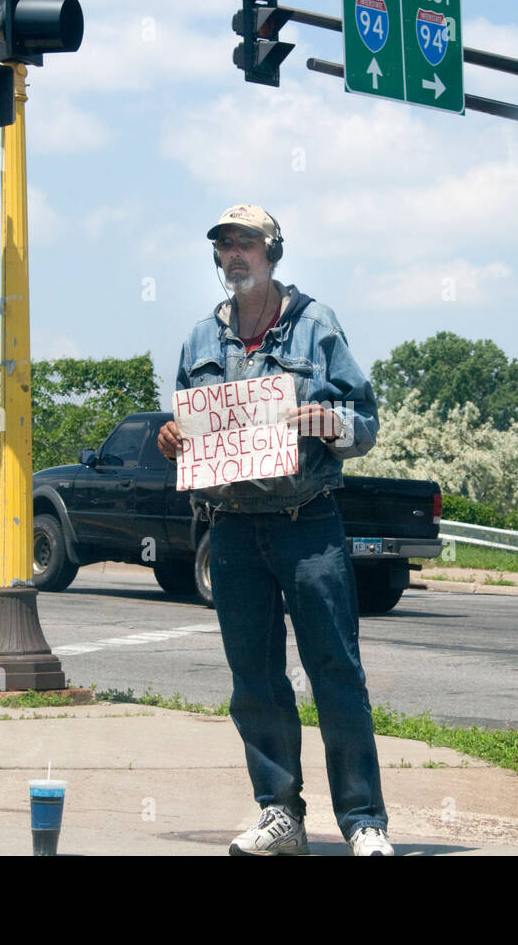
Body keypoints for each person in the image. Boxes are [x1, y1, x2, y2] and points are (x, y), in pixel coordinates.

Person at [156, 204, 392, 856]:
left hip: (306, 521)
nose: (235, 253)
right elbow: (183, 427)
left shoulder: (317, 326)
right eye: (225, 244)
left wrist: (327, 422)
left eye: (247, 243)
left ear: (272, 252)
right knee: (253, 678)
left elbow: (366, 423)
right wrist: (171, 436)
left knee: (334, 670)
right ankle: (279, 816)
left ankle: (364, 821)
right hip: (230, 527)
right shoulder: (201, 339)